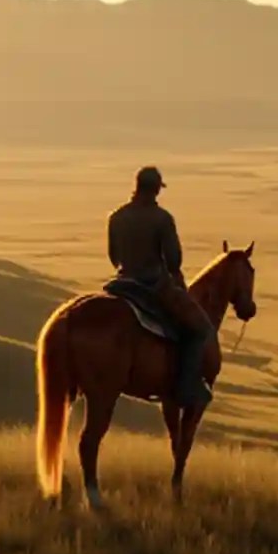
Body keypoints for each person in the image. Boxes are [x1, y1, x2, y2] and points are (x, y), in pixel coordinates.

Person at [106, 166, 214, 405]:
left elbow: (114, 257)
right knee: (198, 329)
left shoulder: (116, 217)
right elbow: (174, 261)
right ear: (156, 190)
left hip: (121, 284)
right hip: (152, 285)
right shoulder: (162, 219)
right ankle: (187, 387)